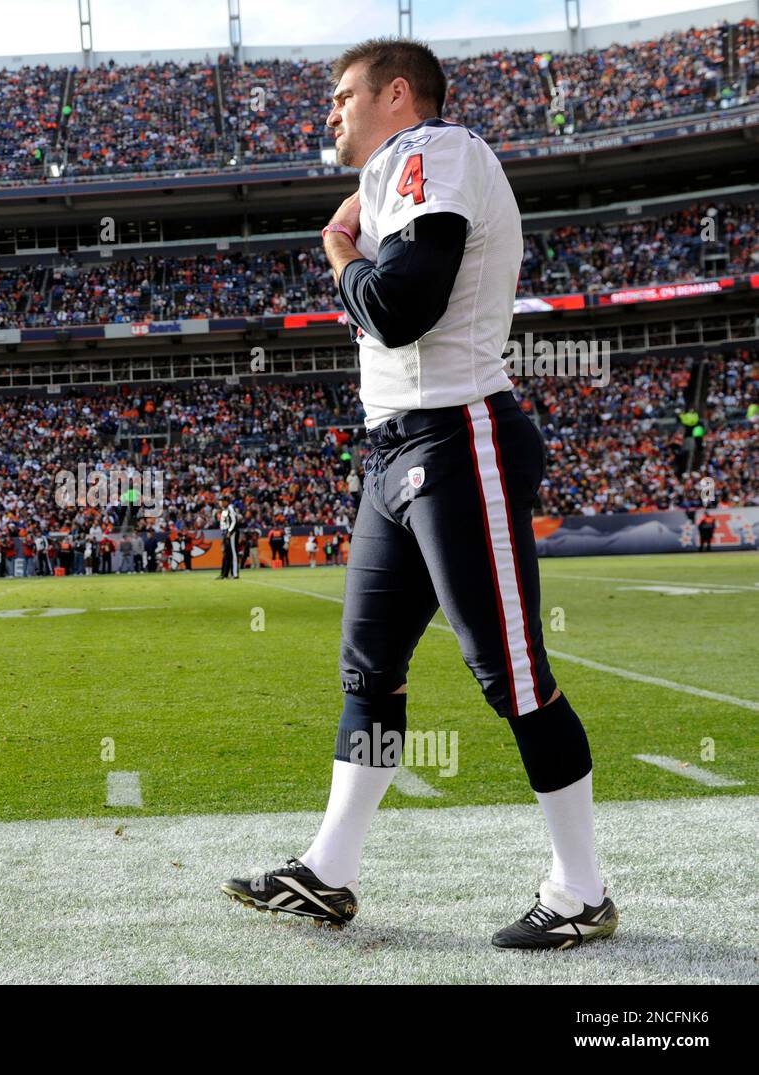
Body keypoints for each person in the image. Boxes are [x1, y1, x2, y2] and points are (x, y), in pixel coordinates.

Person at [223, 39, 615, 951]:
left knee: (509, 673)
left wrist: (336, 251)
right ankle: (329, 871)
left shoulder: (434, 150)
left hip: (458, 431)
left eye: (343, 95)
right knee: (371, 673)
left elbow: (404, 305)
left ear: (397, 95)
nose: (330, 113)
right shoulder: (404, 167)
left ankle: (581, 887)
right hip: (397, 448)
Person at [219, 500, 240, 579]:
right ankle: (224, 574)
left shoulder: (230, 508)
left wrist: (230, 531)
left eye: (221, 501)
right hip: (225, 533)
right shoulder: (224, 510)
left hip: (231, 533)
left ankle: (234, 574)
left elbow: (234, 521)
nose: (220, 503)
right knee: (226, 554)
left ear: (226, 502)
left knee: (233, 553)